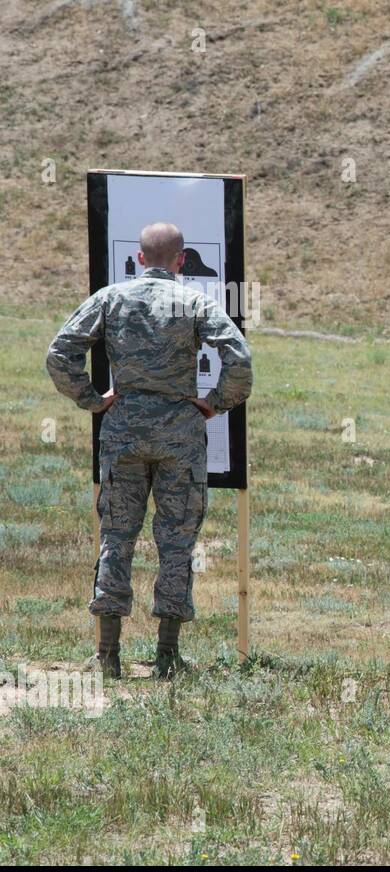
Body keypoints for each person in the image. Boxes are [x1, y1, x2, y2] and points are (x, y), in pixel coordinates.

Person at [47, 222, 253, 678]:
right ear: (181, 260)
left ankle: (108, 655)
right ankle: (166, 655)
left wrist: (93, 400)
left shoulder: (111, 298)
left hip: (123, 431)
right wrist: (215, 403)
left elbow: (60, 354)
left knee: (116, 537)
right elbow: (239, 361)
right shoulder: (196, 302)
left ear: (140, 259)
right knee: (177, 542)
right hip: (180, 435)